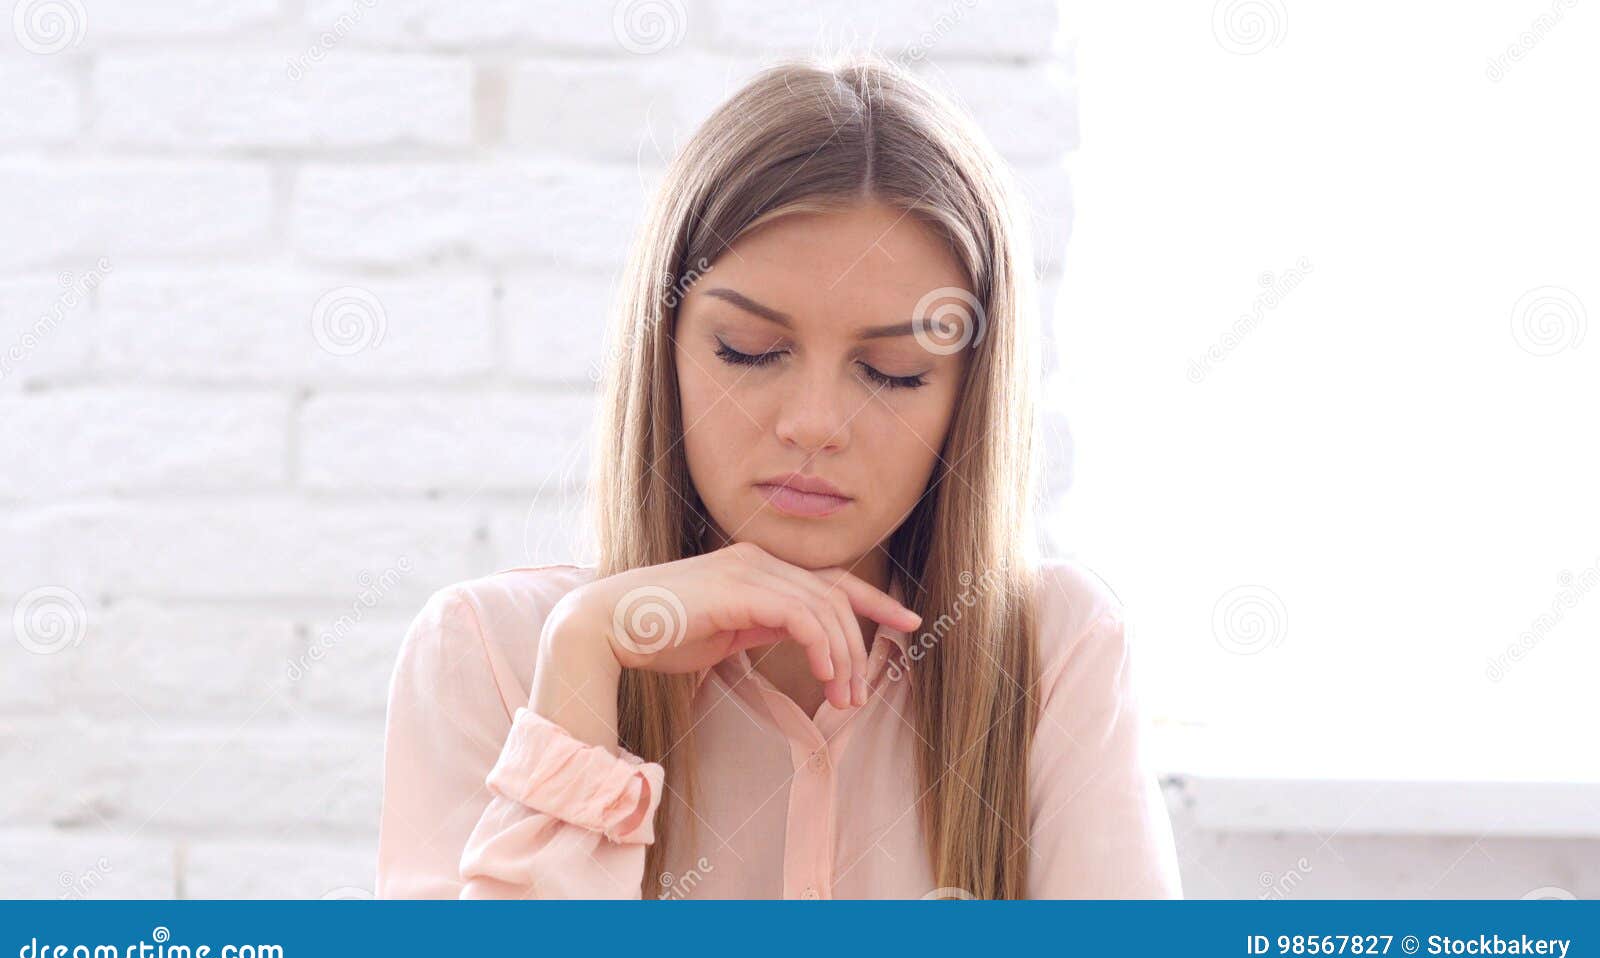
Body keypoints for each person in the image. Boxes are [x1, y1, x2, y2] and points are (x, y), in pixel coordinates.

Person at [375, 53, 1181, 900]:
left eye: (896, 371)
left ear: (964, 400)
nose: (815, 425)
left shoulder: (1054, 650)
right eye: (749, 352)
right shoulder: (489, 652)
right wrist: (585, 656)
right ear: (667, 352)